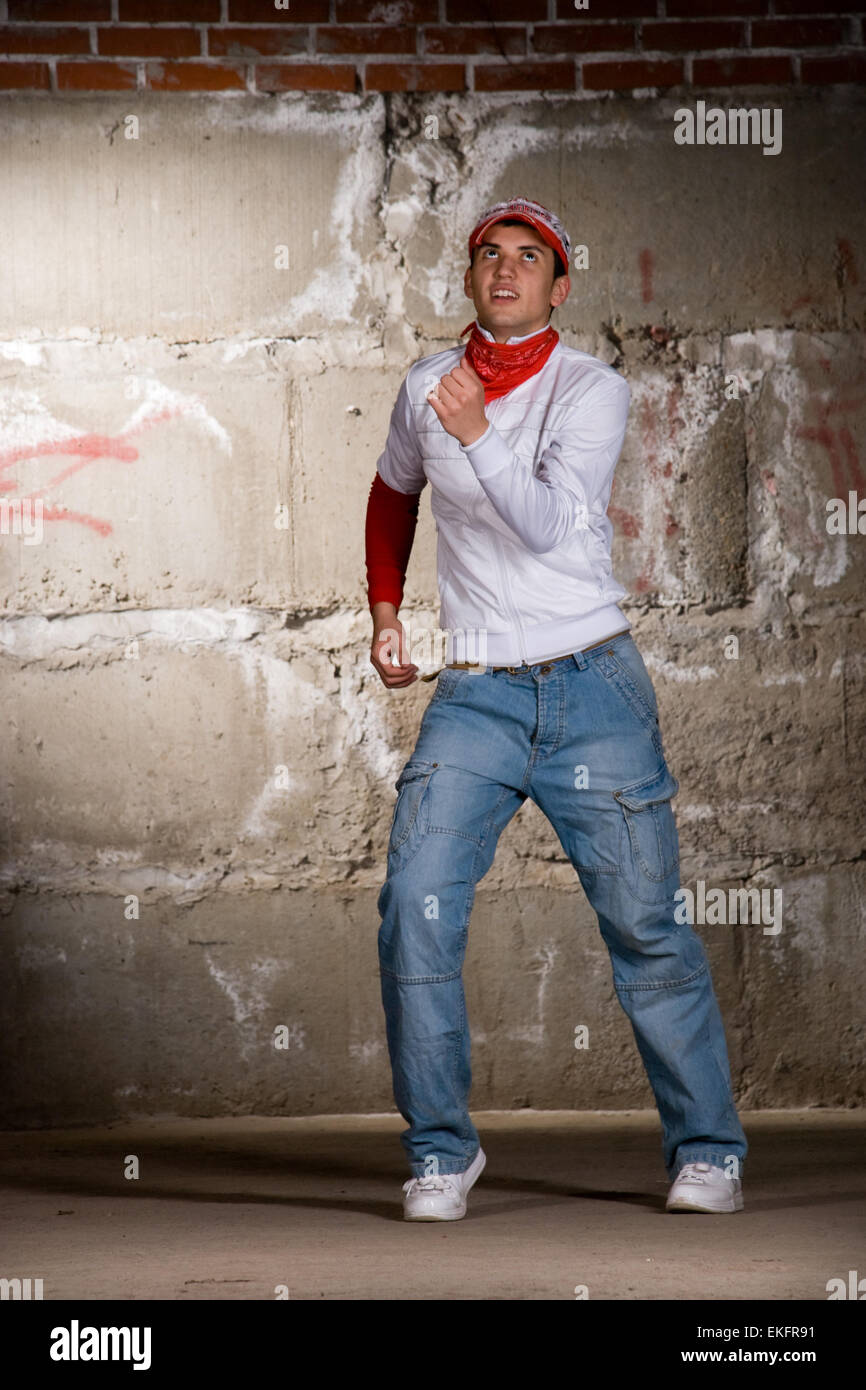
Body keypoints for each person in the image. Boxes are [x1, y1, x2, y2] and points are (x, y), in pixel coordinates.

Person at [364, 196, 747, 1222]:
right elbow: (391, 490)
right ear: (469, 277)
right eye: (488, 255)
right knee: (414, 908)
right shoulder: (423, 388)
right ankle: (441, 1152)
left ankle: (706, 1149)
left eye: (526, 258)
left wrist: (479, 432)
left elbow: (541, 528)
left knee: (643, 923)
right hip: (475, 694)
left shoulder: (592, 392)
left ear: (557, 284)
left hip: (591, 687)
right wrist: (385, 609)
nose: (503, 271)